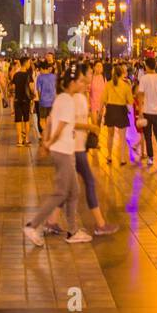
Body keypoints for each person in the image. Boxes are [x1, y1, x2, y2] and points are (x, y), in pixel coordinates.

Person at [45, 65, 118, 237]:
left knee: (68, 187)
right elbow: (68, 122)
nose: (90, 76)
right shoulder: (75, 98)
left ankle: (52, 222)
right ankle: (99, 224)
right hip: (75, 147)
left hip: (77, 146)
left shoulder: (81, 96)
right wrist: (90, 126)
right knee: (88, 183)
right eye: (89, 73)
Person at [23, 67, 92, 246]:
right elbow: (60, 125)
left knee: (73, 191)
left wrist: (46, 142)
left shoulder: (60, 98)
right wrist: (49, 142)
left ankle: (72, 231)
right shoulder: (67, 100)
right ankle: (33, 225)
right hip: (63, 151)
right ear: (72, 82)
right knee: (61, 193)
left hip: (63, 150)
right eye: (80, 81)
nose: (82, 84)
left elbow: (51, 121)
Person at [100, 64, 135, 165]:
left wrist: (100, 111)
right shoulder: (126, 85)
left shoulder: (108, 84)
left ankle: (109, 156)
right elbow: (130, 101)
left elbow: (103, 99)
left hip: (110, 109)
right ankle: (123, 158)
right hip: (121, 110)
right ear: (121, 73)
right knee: (122, 136)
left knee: (110, 135)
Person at [137, 56, 157, 167]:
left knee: (148, 135)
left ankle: (150, 158)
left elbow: (141, 95)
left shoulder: (144, 78)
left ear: (147, 66)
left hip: (147, 111)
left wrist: (140, 111)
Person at [12, 55, 34, 146]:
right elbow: (32, 88)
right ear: (25, 63)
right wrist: (33, 95)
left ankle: (19, 140)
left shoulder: (16, 75)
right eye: (29, 62)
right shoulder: (28, 75)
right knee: (26, 119)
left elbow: (13, 87)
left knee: (18, 120)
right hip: (26, 99)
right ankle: (27, 139)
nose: (30, 64)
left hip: (17, 99)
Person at [35, 62, 58, 136]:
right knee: (50, 119)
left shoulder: (40, 77)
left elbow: (38, 90)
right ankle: (50, 134)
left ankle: (45, 135)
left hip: (43, 101)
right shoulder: (54, 76)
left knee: (42, 120)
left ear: (41, 69)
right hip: (52, 101)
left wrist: (40, 98)